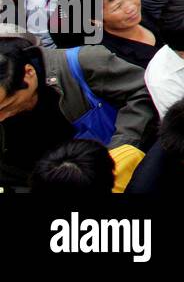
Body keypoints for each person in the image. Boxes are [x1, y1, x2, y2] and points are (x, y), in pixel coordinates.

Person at [0, 28, 156, 192]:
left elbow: (142, 91)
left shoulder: (82, 64)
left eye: (5, 106)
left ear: (28, 74)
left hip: (112, 174)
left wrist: (121, 147)